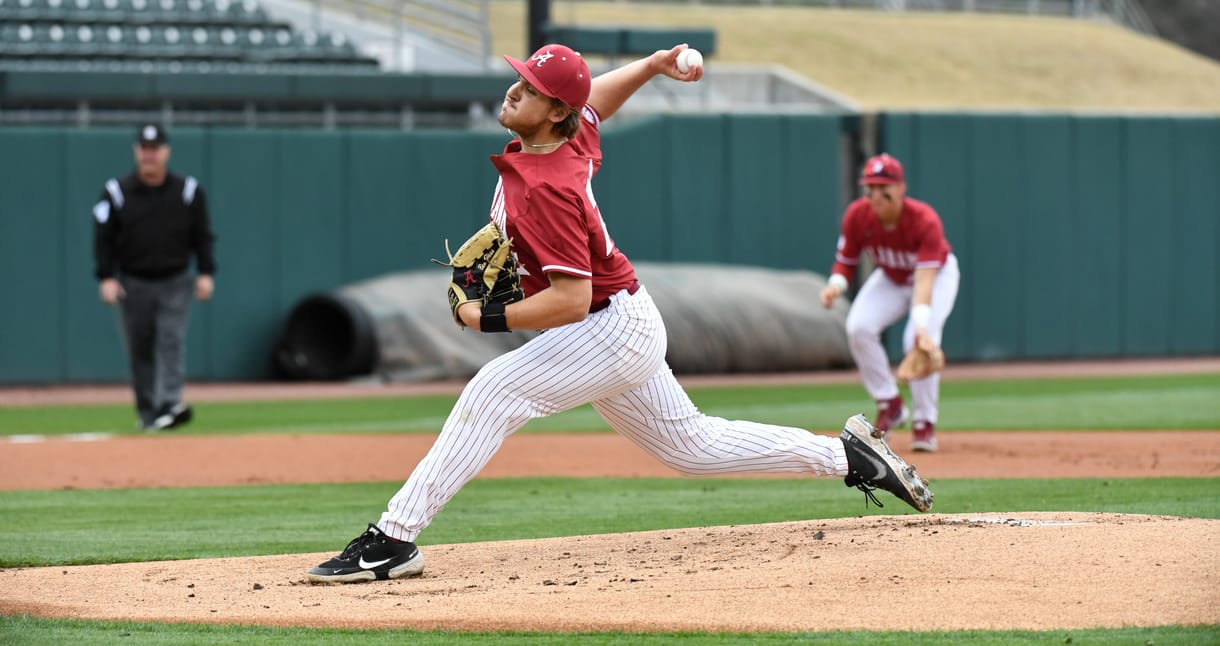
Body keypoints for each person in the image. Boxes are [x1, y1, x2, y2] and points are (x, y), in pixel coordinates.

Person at [308, 44, 933, 584]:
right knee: (693, 446)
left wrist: (485, 322)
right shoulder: (563, 132)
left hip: (603, 325)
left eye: (530, 88)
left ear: (550, 111)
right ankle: (850, 457)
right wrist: (654, 66)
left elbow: (570, 300)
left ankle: (392, 540)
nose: (514, 89)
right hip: (621, 320)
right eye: (519, 79)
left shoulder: (548, 187)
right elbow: (593, 100)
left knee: (493, 391)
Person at [819, 153, 960, 452]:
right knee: (858, 326)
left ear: (900, 188)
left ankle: (924, 422)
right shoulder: (858, 215)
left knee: (918, 340)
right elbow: (846, 261)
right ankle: (890, 403)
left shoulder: (923, 219)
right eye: (870, 186)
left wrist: (922, 326)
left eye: (883, 187)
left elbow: (924, 281)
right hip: (893, 278)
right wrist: (835, 285)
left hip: (936, 276)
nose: (875, 194)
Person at [92, 123, 216, 432]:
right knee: (140, 348)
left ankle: (170, 403)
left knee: (170, 340)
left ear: (166, 152)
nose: (149, 155)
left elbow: (203, 235)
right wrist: (106, 276)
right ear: (136, 151)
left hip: (175, 279)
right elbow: (103, 237)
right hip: (133, 282)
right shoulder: (116, 191)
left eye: (155, 149)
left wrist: (206, 272)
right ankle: (149, 413)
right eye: (144, 149)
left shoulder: (188, 190)